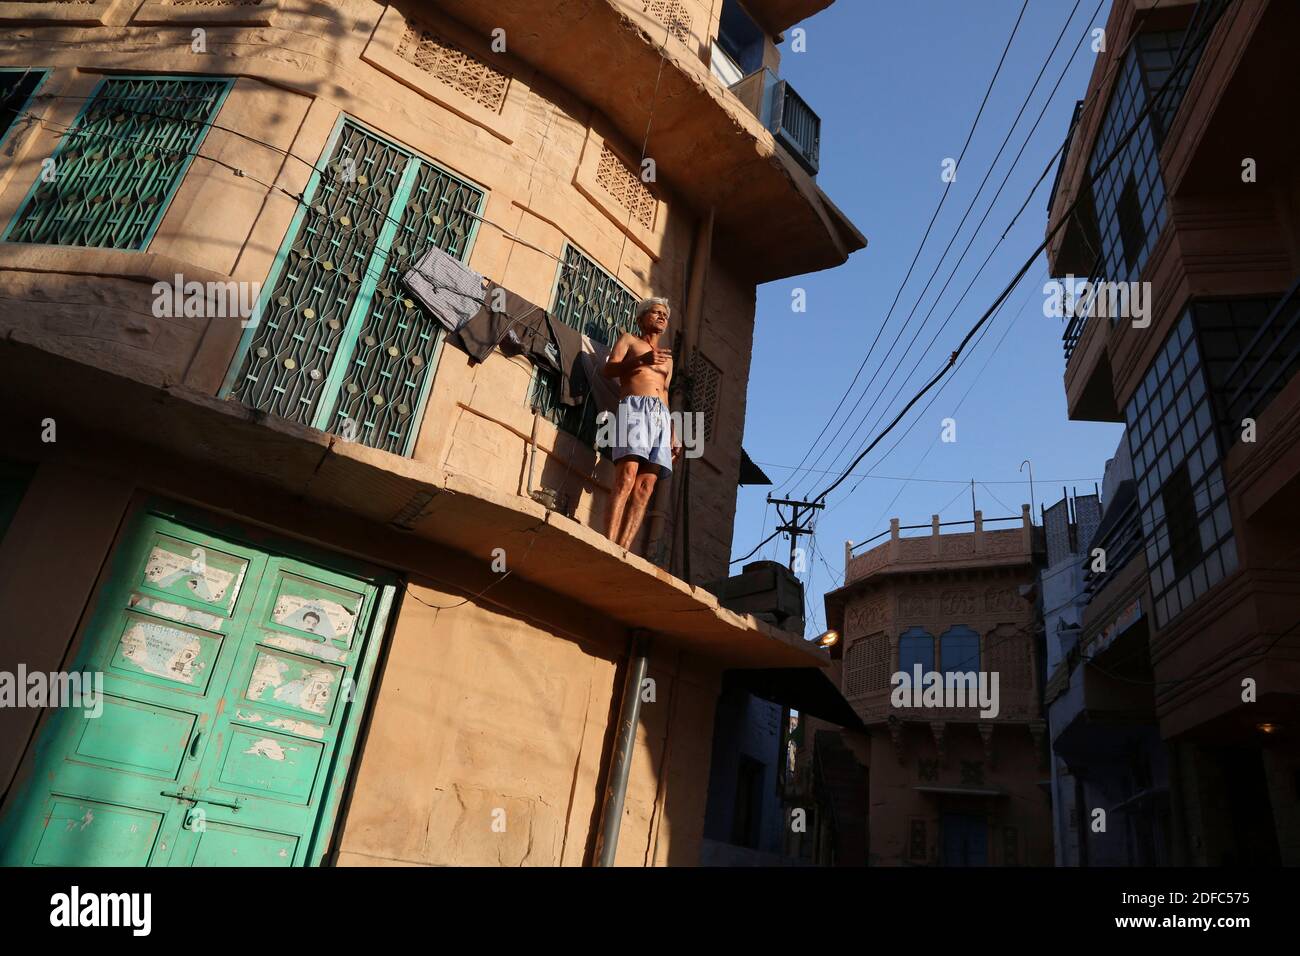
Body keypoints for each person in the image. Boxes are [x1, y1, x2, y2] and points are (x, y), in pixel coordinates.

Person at [602, 297, 682, 551]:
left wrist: (672, 432)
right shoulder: (629, 341)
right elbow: (609, 370)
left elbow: (665, 393)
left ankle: (624, 548)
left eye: (665, 315)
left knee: (646, 486)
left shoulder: (667, 359)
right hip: (635, 408)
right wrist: (640, 361)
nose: (661, 317)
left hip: (660, 416)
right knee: (626, 476)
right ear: (641, 318)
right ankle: (609, 542)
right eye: (656, 312)